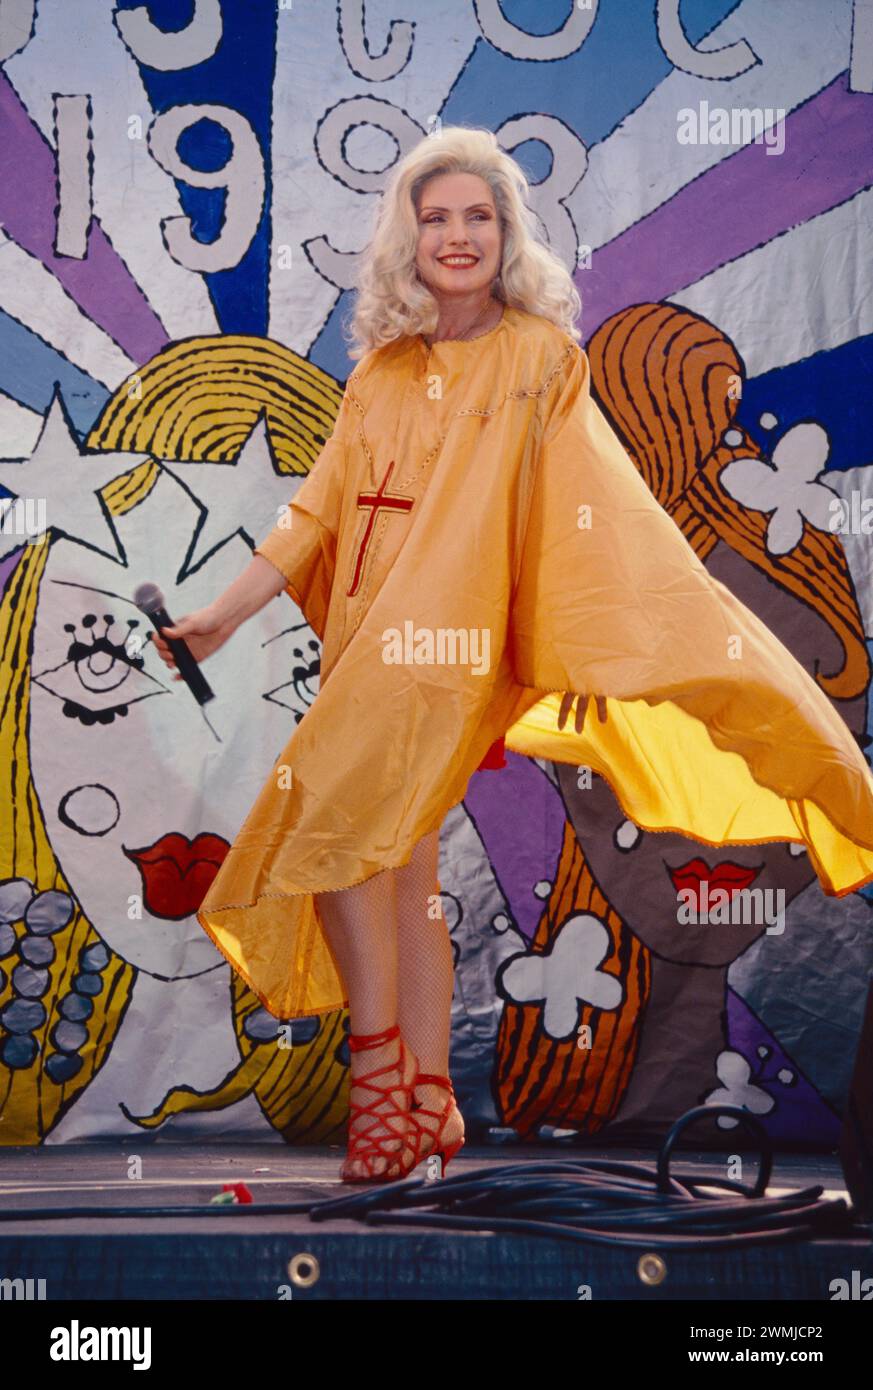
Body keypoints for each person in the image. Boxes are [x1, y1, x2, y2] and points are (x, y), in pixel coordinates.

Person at [151, 126, 873, 1185]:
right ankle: (432, 1096)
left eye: (477, 217)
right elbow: (313, 517)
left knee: (333, 831)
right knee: (397, 866)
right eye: (435, 217)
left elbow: (596, 516)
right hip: (369, 647)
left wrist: (624, 634)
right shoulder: (380, 374)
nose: (457, 236)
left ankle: (378, 1088)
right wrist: (220, 615)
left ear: (506, 234)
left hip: (449, 654)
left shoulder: (540, 358)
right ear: (408, 237)